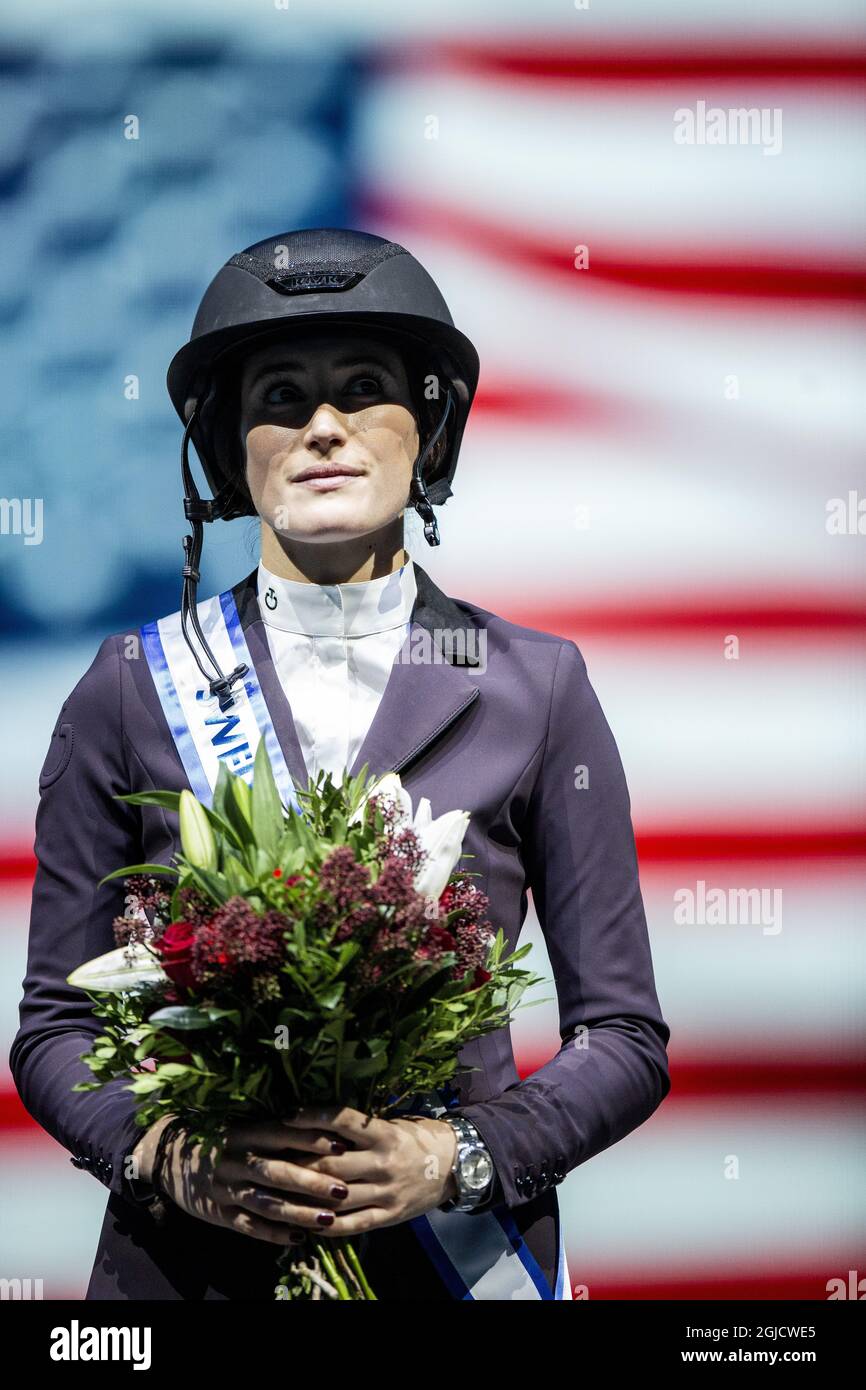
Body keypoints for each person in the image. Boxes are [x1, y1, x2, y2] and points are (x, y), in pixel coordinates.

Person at [10, 228, 671, 1301]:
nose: (323, 426)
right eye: (281, 395)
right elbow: (54, 1030)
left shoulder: (538, 686)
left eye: (363, 389)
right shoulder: (130, 683)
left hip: (453, 1265)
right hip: (190, 1271)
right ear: (229, 450)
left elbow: (623, 1038)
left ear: (427, 435)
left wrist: (452, 1157)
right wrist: (169, 1155)